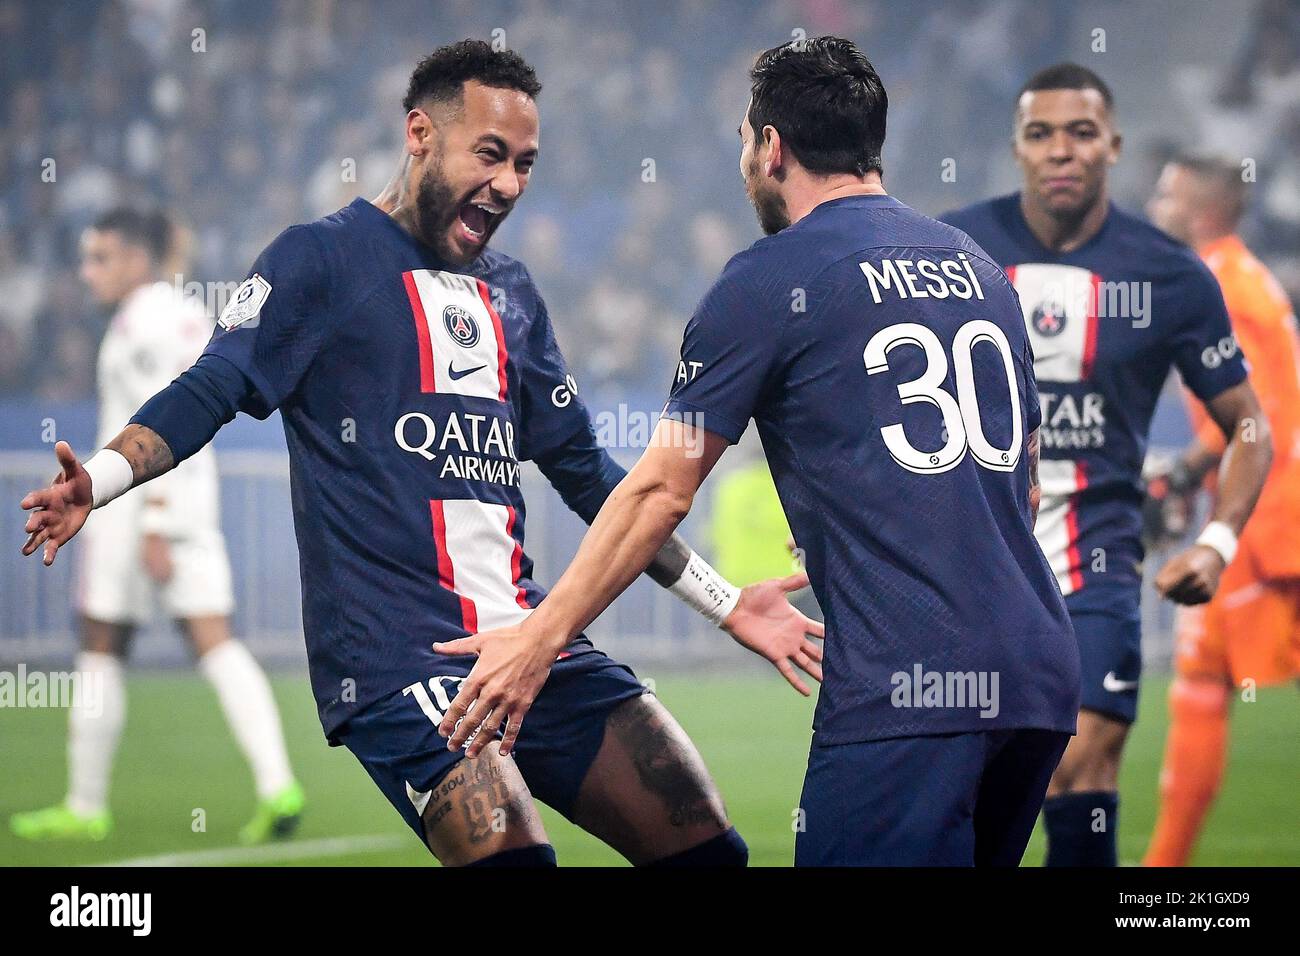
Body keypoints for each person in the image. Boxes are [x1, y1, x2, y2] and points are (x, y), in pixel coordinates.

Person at [19, 41, 821, 868]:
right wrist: (106, 479)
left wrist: (727, 603)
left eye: (525, 164)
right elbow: (215, 383)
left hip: (528, 642)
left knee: (707, 853)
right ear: (419, 135)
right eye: (490, 154)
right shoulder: (320, 261)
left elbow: (594, 478)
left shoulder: (511, 293)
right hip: (399, 661)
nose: (508, 183)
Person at [435, 36, 1081, 867]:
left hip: (912, 689)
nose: (746, 160)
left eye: (746, 139)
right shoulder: (982, 270)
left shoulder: (770, 279)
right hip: (1036, 675)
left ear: (771, 146)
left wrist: (541, 636)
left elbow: (659, 490)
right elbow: (1017, 490)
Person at [941, 65, 1272, 866]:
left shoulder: (1170, 273)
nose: (1063, 150)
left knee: (1079, 765)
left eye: (1081, 133)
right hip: (968, 564)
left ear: (1113, 147)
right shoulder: (950, 250)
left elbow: (1252, 426)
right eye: (1042, 133)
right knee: (957, 787)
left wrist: (1216, 542)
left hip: (1098, 562)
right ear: (1017, 148)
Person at [10, 208, 304, 845]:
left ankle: (86, 805)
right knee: (215, 643)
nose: (89, 272)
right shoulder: (175, 313)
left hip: (140, 513)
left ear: (139, 259)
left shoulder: (147, 321)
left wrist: (156, 522)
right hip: (180, 508)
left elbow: (164, 424)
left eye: (101, 258)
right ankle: (279, 783)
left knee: (100, 642)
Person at [1143, 153, 1300, 866]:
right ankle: (1162, 870)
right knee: (1202, 679)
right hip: (1264, 513)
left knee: (1203, 680)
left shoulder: (1220, 284)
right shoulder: (1241, 276)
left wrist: (1187, 470)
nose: (1154, 204)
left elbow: (1251, 417)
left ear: (1202, 212)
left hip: (1264, 523)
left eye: (1168, 195)